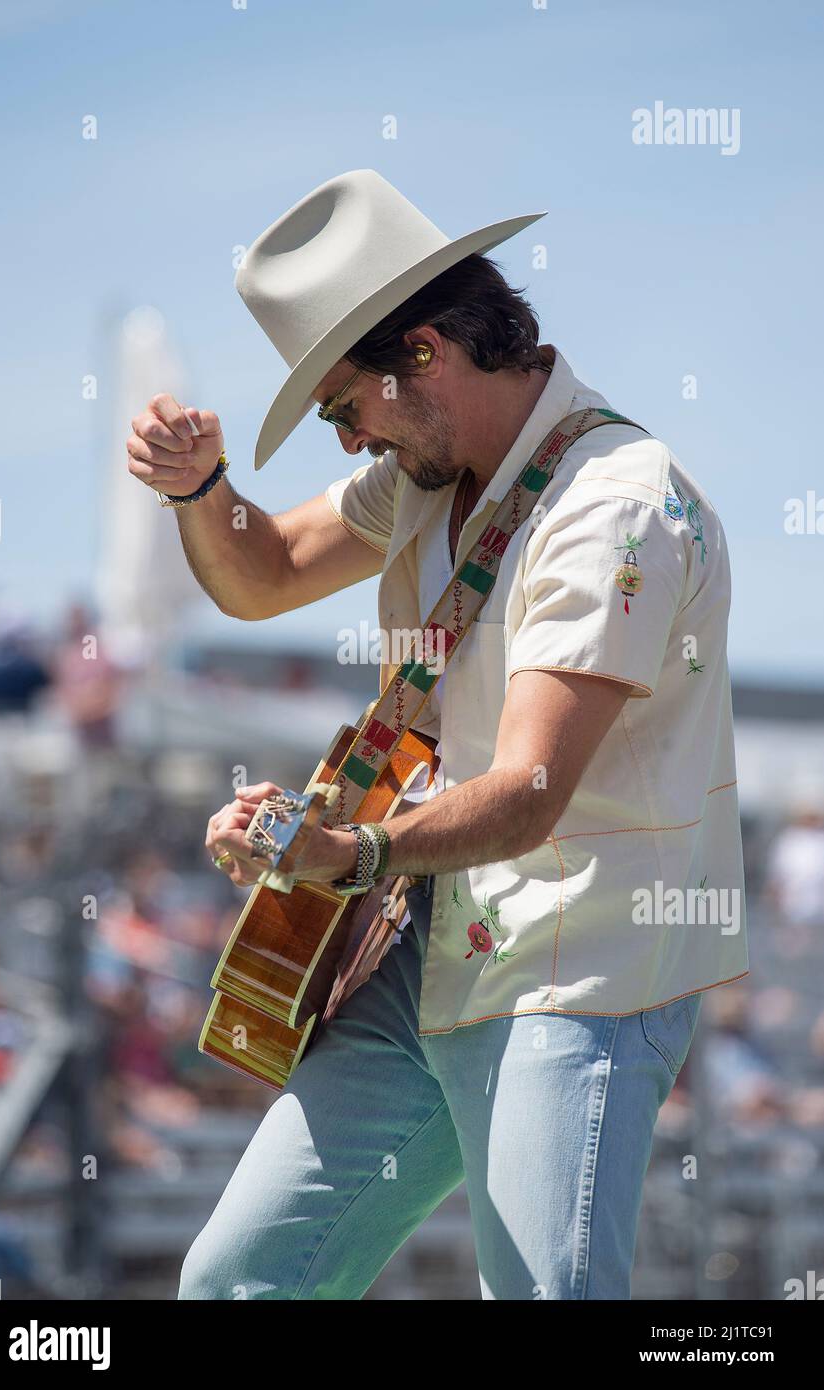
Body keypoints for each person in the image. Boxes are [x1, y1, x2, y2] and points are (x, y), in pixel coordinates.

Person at [126, 170, 749, 1300]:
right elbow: (258, 570)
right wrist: (199, 488)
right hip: (438, 934)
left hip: (587, 960)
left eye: (342, 407)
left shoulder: (613, 504)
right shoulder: (426, 475)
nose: (348, 436)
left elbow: (529, 787)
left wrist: (348, 850)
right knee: (236, 1282)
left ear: (421, 352)